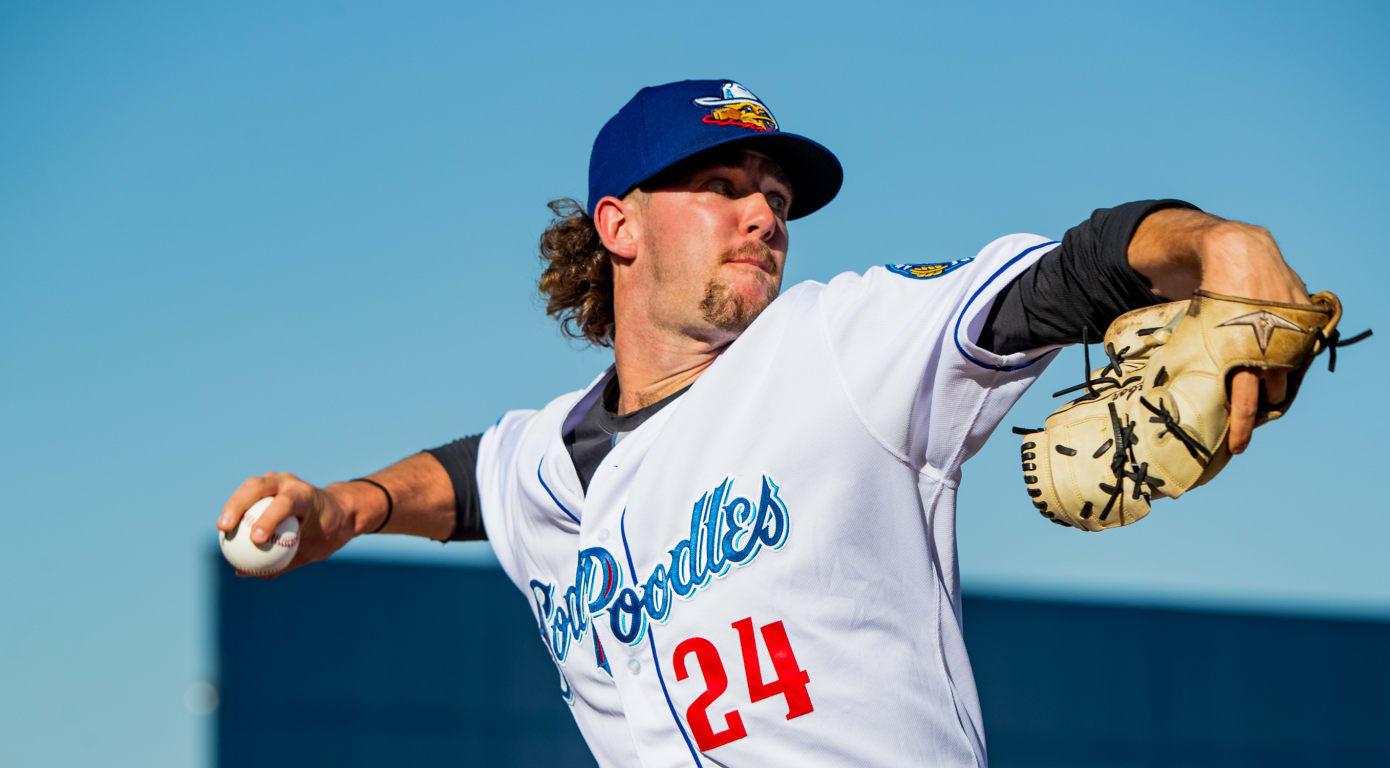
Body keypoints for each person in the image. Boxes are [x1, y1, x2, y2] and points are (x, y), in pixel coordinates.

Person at [216, 79, 1311, 766]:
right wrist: (348, 508)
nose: (764, 214)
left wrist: (1214, 243)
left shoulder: (838, 349)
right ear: (619, 224)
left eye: (776, 200)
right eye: (723, 183)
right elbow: (472, 482)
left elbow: (1071, 270)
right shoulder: (548, 459)